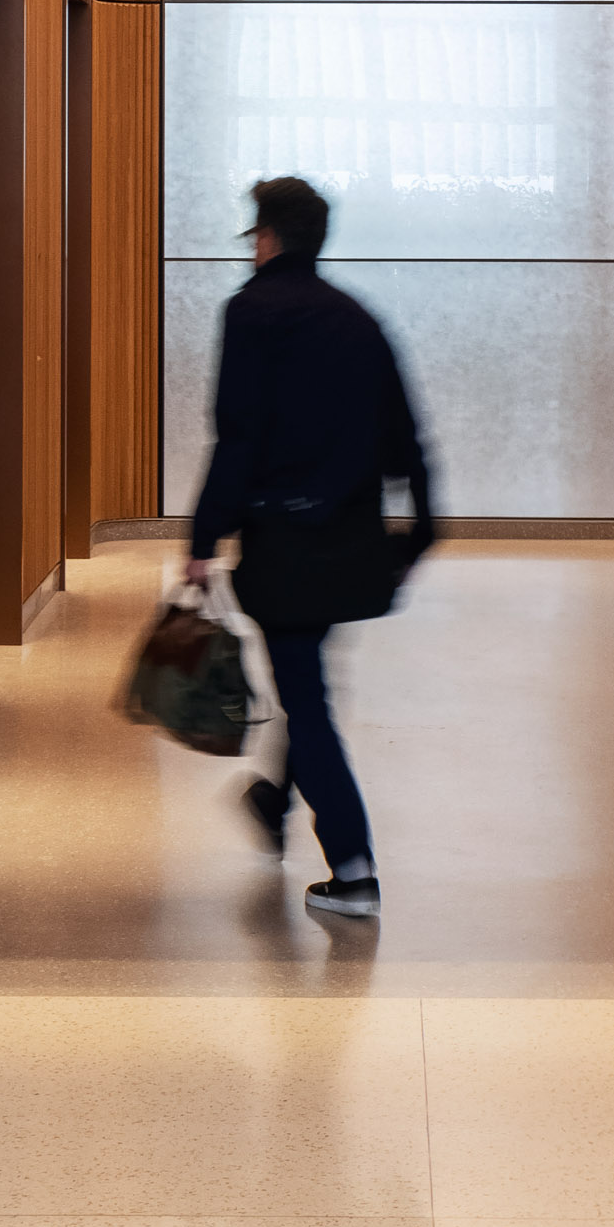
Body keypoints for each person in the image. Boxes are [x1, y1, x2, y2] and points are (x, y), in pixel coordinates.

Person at [183, 173, 436, 925]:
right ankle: (272, 802)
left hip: (282, 544)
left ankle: (353, 869)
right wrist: (423, 530)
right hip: (350, 541)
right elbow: (405, 436)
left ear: (266, 239)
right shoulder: (357, 319)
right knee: (308, 684)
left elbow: (237, 436)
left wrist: (203, 539)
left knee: (308, 701)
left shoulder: (251, 313)